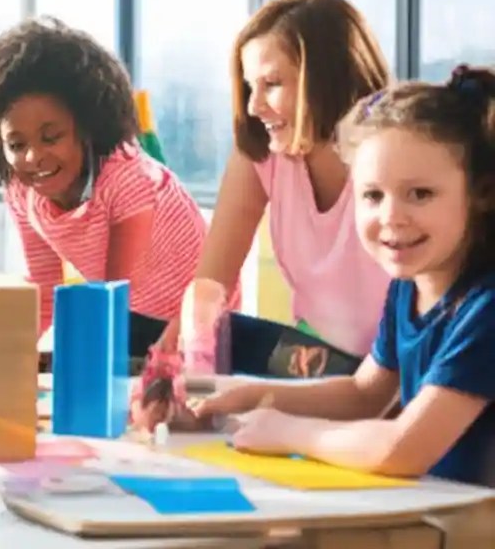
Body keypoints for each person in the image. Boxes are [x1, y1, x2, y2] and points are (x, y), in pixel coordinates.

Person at [194, 66, 495, 487]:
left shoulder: (485, 307)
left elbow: (402, 449)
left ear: (481, 193)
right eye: (372, 195)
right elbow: (363, 394)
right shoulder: (408, 289)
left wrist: (286, 431)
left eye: (421, 194)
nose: (391, 217)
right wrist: (244, 395)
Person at [162, 0, 392, 378]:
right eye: (251, 86)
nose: (254, 106)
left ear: (328, 80)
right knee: (209, 344)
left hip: (395, 375)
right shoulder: (261, 157)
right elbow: (210, 286)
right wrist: (177, 362)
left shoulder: (395, 159)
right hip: (316, 362)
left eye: (272, 83)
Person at [0, 16, 206, 356]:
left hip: (195, 327)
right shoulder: (22, 192)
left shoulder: (126, 178)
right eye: (16, 145)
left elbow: (115, 298)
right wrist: (10, 364)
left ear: (87, 127)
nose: (34, 157)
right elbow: (46, 293)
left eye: (52, 137)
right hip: (129, 332)